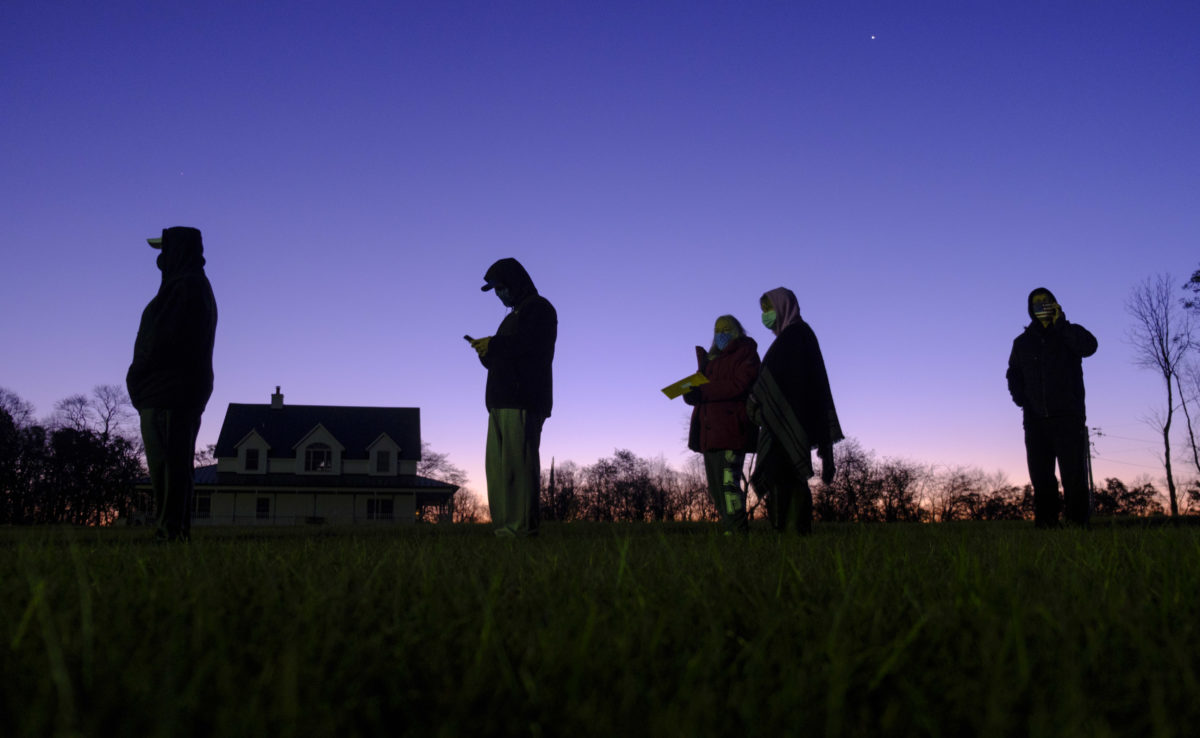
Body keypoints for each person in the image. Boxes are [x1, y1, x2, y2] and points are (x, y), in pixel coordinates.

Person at [126, 226, 218, 542]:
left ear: (178, 251)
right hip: (164, 390)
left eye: (165, 251)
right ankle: (172, 532)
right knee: (169, 466)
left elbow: (164, 341)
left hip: (169, 392)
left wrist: (137, 376)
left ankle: (171, 533)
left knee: (169, 466)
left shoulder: (187, 287)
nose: (160, 259)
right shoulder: (183, 286)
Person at [469, 258, 557, 537]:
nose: (499, 294)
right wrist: (487, 353)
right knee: (498, 470)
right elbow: (506, 356)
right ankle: (505, 528)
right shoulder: (511, 316)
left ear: (516, 283)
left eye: (502, 287)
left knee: (519, 466)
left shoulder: (539, 309)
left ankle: (522, 529)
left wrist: (493, 344)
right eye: (495, 290)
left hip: (523, 400)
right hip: (499, 402)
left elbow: (531, 345)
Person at [748, 288, 842, 534]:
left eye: (768, 309)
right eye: (763, 311)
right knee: (782, 478)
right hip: (784, 420)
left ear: (782, 307)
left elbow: (795, 383)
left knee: (788, 478)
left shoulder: (796, 336)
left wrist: (762, 403)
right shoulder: (790, 337)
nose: (766, 315)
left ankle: (794, 536)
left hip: (788, 421)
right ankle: (789, 536)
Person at [1006, 287, 1098, 527]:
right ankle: (1047, 525)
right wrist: (1021, 399)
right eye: (1036, 303)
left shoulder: (1069, 332)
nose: (1041, 306)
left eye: (1046, 301)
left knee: (1074, 474)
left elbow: (1089, 347)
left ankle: (1078, 524)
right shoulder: (1022, 342)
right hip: (1035, 420)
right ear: (1030, 309)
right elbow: (1013, 373)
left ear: (1055, 304)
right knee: (1041, 477)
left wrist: (1062, 325)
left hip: (1068, 416)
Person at [683, 316, 760, 535]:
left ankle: (737, 530)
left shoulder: (746, 354)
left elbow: (740, 385)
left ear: (738, 331)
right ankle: (729, 528)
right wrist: (690, 394)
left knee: (729, 485)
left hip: (732, 431)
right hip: (710, 435)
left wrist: (703, 391)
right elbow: (700, 389)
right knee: (717, 487)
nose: (722, 333)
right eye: (718, 329)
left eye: (727, 329)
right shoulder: (711, 361)